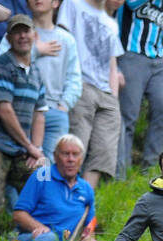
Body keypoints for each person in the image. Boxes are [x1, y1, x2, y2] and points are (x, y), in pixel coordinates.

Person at [0, 0, 80, 157]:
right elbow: (1, 66)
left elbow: (74, 79)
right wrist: (36, 50)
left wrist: (63, 106)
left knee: (48, 168)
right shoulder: (16, 34)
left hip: (55, 111)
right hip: (20, 110)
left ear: (55, 3)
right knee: (19, 163)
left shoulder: (67, 39)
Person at [57, 0, 122, 190]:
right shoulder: (73, 4)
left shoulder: (111, 22)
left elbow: (112, 64)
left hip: (107, 94)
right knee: (74, 150)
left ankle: (83, 207)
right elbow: (62, 41)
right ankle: (63, 203)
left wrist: (114, 98)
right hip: (81, 85)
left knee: (102, 155)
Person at [11, 133, 95, 241]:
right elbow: (18, 214)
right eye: (65, 154)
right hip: (34, 239)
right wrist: (38, 227)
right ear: (55, 156)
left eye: (75, 154)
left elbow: (90, 225)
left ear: (82, 158)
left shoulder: (86, 189)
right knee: (49, 238)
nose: (71, 159)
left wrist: (87, 237)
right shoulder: (42, 177)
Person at [0, 14, 47, 219]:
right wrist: (30, 147)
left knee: (46, 176)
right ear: (8, 38)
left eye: (26, 31)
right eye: (16, 32)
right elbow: (4, 110)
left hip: (23, 149)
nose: (22, 36)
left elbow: (39, 114)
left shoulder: (36, 72)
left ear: (34, 35)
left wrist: (38, 151)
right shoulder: (1, 65)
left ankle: (44, 237)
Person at [115, 0, 163, 176]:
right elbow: (131, 4)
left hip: (158, 58)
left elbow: (159, 24)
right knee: (127, 115)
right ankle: (120, 173)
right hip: (131, 54)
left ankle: (152, 170)